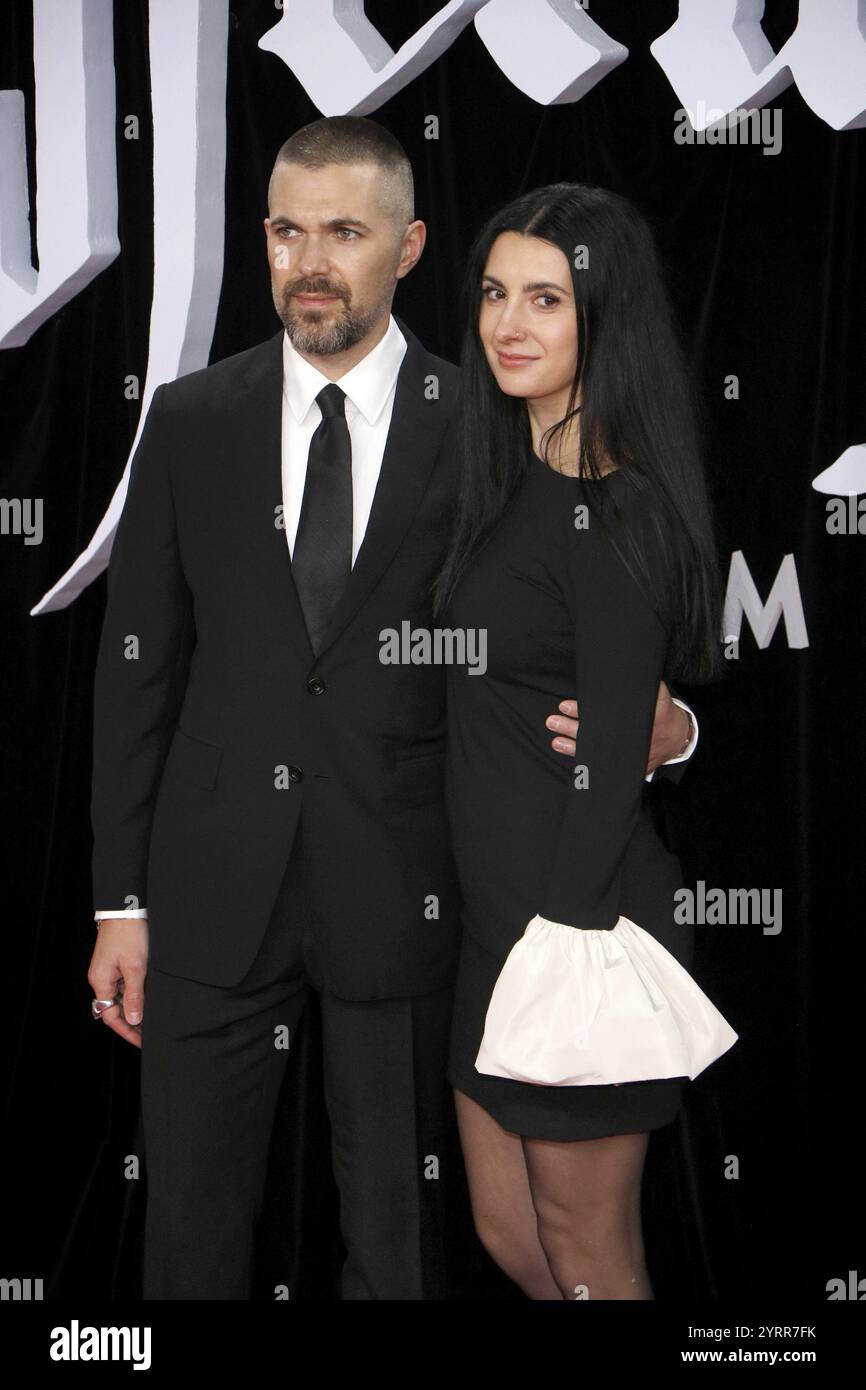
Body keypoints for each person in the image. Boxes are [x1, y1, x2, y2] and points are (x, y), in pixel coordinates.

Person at [87, 120, 698, 1300]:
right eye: (285, 230)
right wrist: (120, 899)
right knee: (190, 1239)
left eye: (345, 232)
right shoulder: (189, 419)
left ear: (408, 247)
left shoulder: (487, 425)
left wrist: (670, 733)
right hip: (211, 890)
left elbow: (580, 630)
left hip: (414, 888)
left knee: (404, 1240)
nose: (309, 261)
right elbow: (137, 671)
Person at [437, 182, 737, 1301]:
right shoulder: (503, 481)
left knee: (590, 1260)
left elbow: (613, 764)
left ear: (600, 320)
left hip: (578, 928)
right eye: (494, 294)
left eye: (546, 301)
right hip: (493, 932)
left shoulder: (620, 512)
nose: (509, 324)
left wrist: (557, 947)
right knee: (510, 1235)